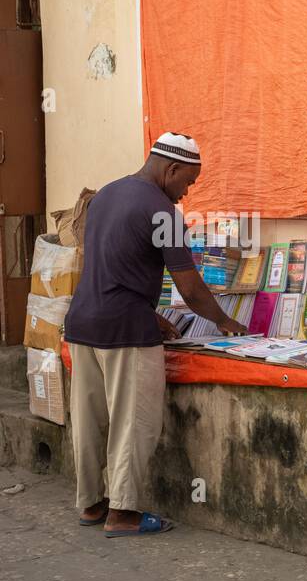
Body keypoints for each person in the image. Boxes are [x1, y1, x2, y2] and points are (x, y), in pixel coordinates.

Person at [63, 132, 247, 537]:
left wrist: (151, 312)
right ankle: (123, 514)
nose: (186, 193)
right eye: (188, 182)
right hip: (126, 331)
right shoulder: (162, 211)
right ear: (172, 169)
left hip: (82, 323)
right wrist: (226, 321)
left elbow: (113, 267)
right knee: (134, 422)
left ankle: (91, 505)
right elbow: (190, 288)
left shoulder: (105, 195)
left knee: (90, 420)